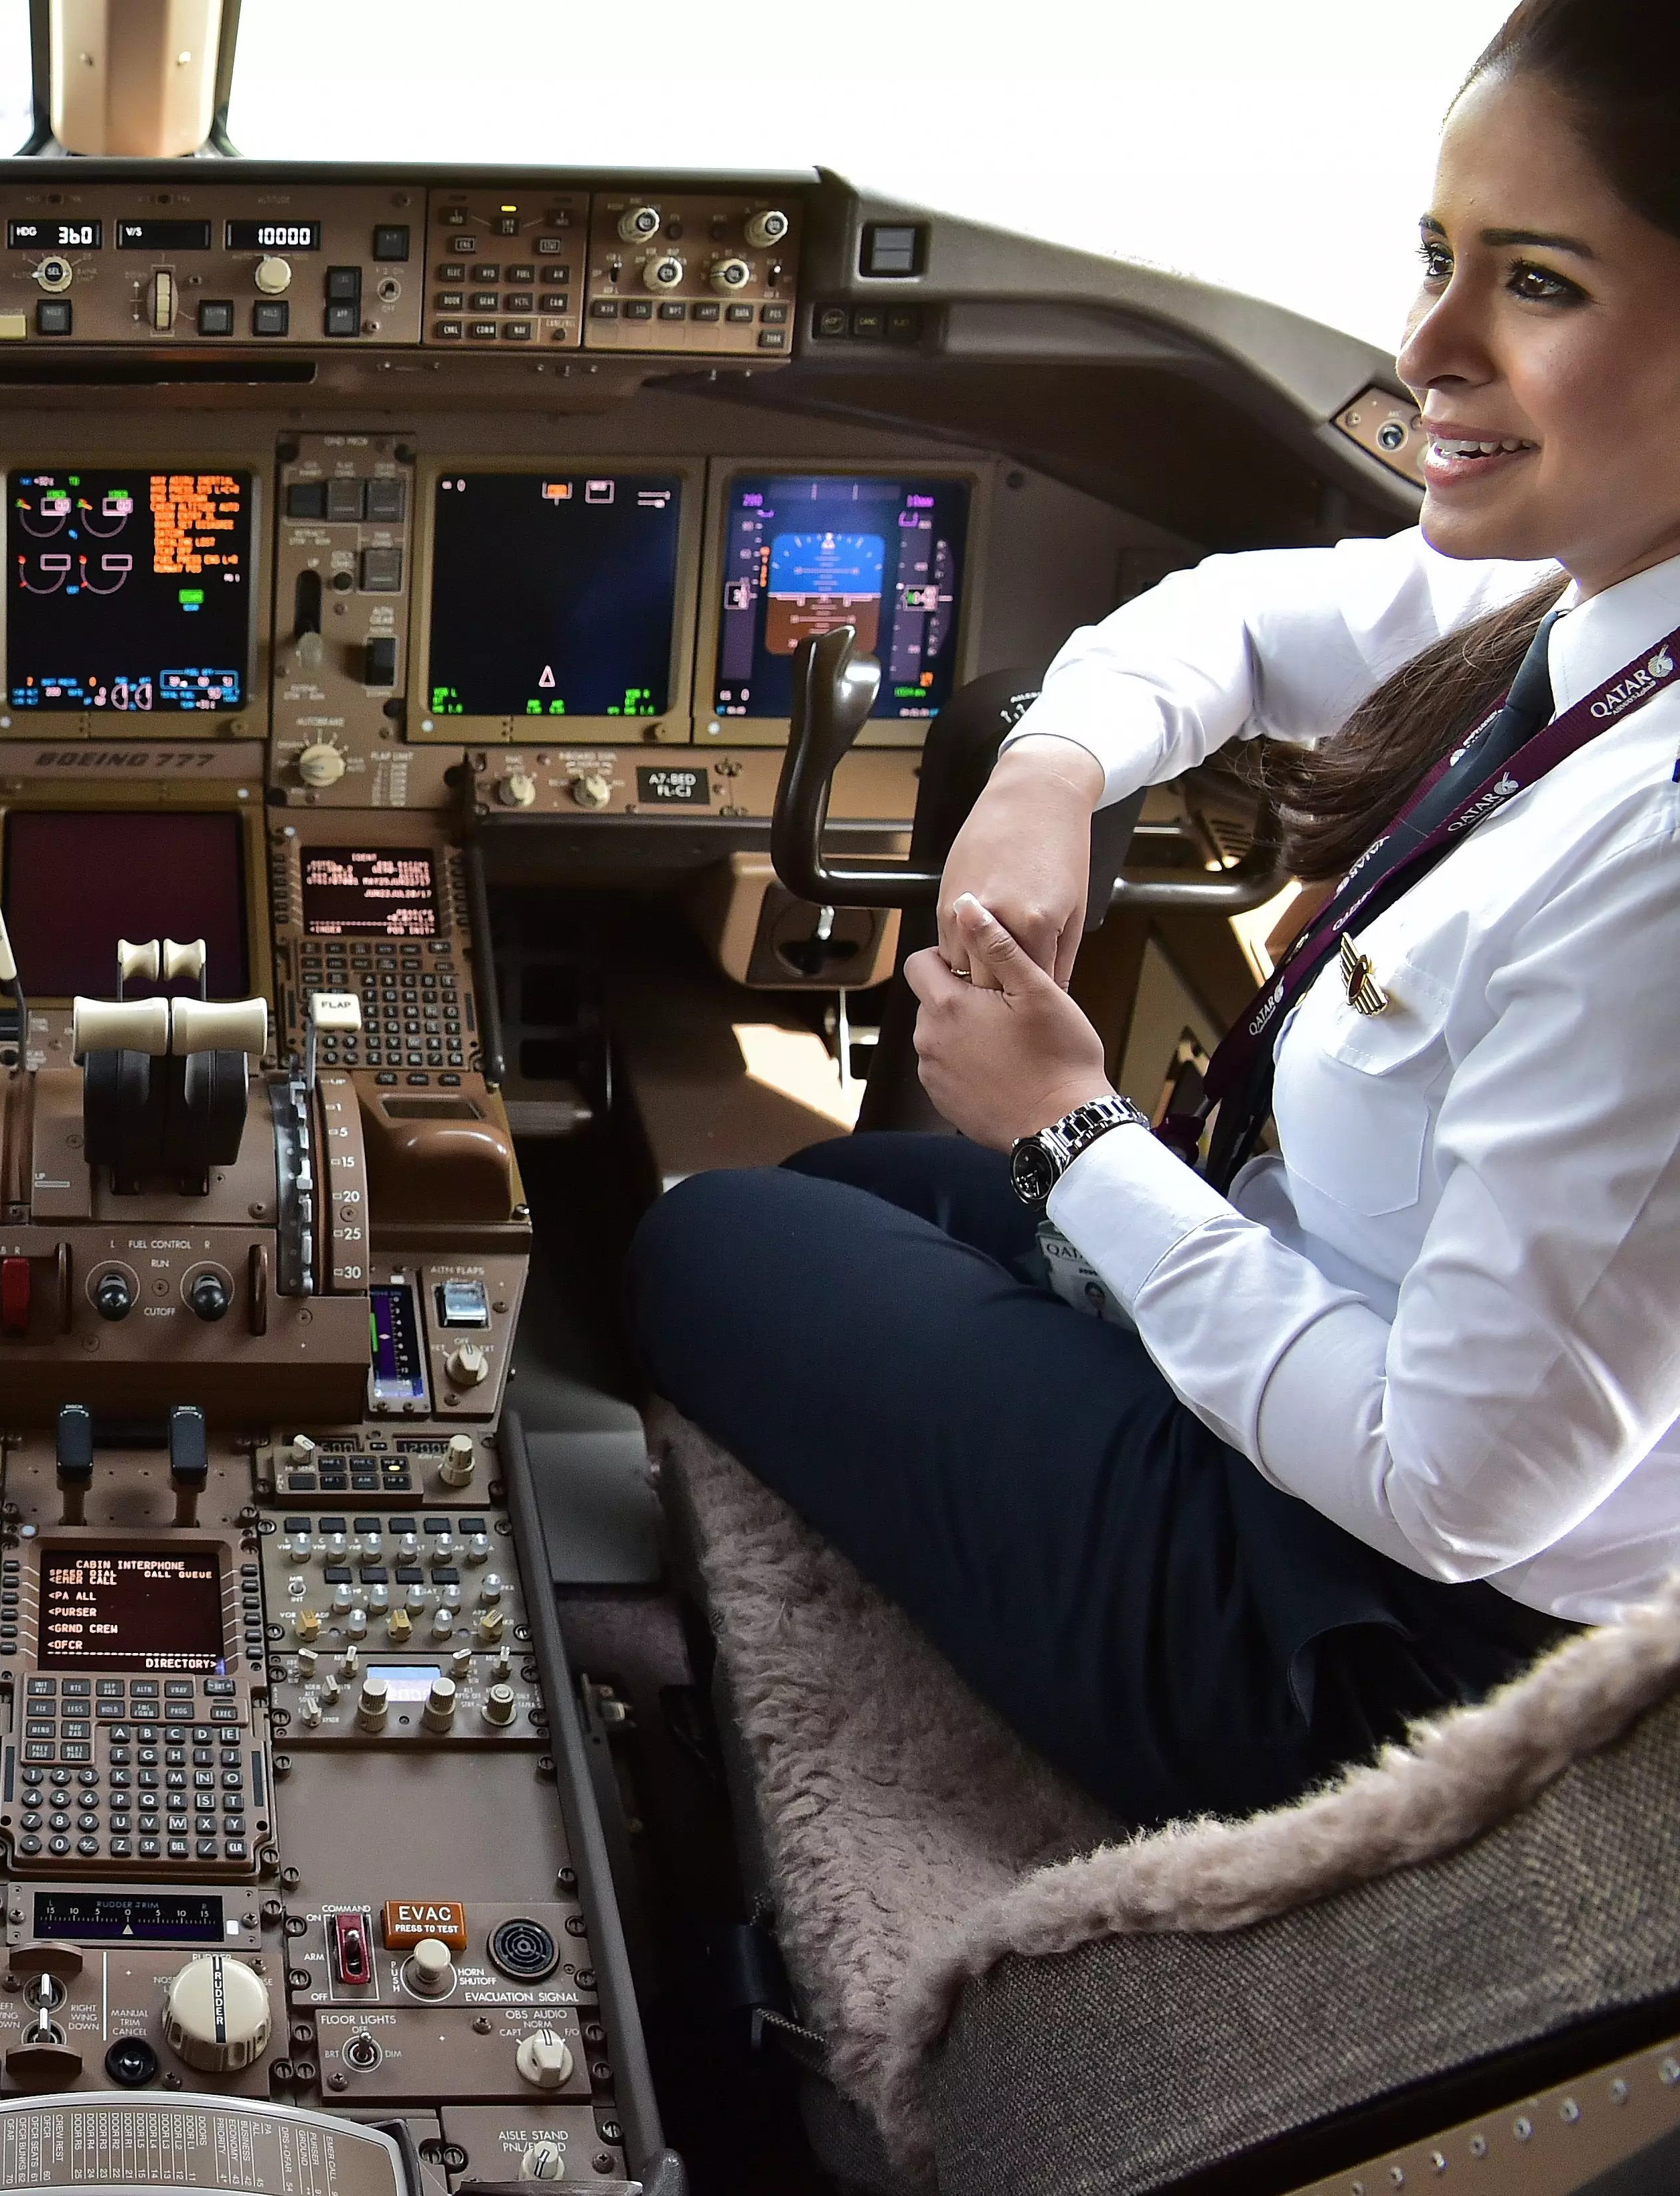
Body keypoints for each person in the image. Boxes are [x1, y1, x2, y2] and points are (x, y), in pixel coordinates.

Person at [633, 0, 1680, 1828]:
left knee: (702, 1243)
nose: (1428, 345)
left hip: (1375, 1626)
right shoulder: (1601, 606)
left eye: (1537, 282)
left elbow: (1453, 1484)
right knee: (844, 1196)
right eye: (1440, 258)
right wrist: (1052, 768)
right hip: (1301, 1311)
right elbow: (1256, 623)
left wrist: (1068, 1130)